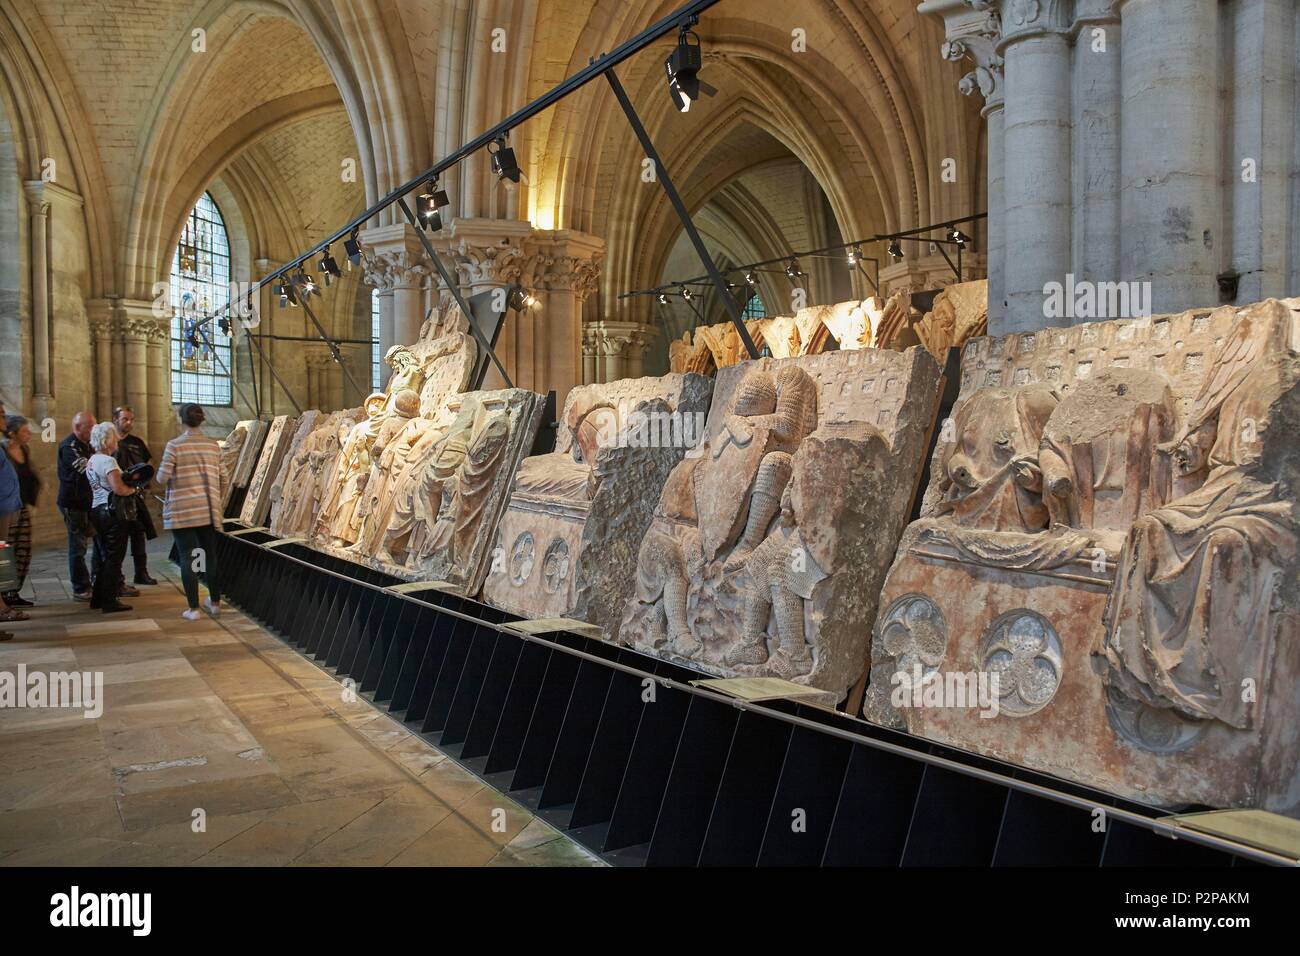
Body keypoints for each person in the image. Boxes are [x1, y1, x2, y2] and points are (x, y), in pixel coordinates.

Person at [156, 403, 224, 621]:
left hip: (183, 510)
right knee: (209, 557)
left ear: (181, 420)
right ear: (202, 419)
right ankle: (215, 603)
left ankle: (193, 609)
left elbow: (162, 477)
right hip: (207, 508)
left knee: (189, 557)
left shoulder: (175, 446)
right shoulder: (212, 446)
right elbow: (224, 476)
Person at [85, 422, 137, 614]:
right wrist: (134, 489)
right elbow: (119, 489)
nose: (117, 440)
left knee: (101, 555)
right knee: (114, 557)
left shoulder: (92, 460)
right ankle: (110, 600)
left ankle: (98, 597)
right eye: (114, 437)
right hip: (112, 514)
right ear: (107, 440)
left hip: (96, 511)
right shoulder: (108, 461)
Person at [57, 411, 104, 601]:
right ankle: (80, 588)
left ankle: (99, 580)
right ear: (78, 428)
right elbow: (87, 469)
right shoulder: (69, 446)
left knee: (100, 542)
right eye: (91, 427)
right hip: (73, 503)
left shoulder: (89, 445)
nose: (94, 431)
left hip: (89, 502)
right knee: (78, 547)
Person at [112, 406, 157, 586]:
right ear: (115, 419)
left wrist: (144, 484)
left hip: (135, 496)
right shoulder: (109, 441)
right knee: (118, 537)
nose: (129, 423)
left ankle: (141, 572)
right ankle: (117, 577)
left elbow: (147, 465)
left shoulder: (137, 442)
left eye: (131, 419)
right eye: (125, 419)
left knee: (138, 534)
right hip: (116, 497)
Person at [2, 415, 40, 607]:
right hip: (7, 510)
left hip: (22, 506)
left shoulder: (24, 449)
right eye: (25, 431)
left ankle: (13, 593)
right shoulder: (3, 451)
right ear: (12, 433)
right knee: (5, 552)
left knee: (23, 551)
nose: (29, 434)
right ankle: (4, 596)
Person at [0, 402, 26, 636]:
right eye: (0, 415)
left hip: (6, 510)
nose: (4, 419)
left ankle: (3, 605)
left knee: (1, 562)